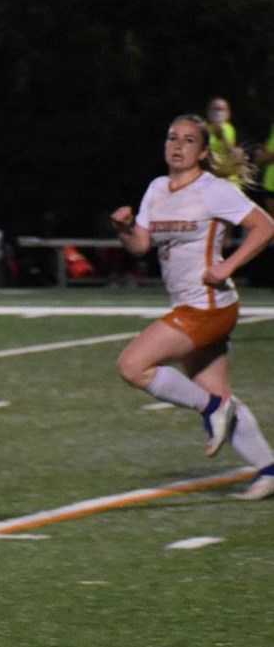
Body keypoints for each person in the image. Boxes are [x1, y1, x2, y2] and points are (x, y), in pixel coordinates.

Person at [110, 114, 274, 501]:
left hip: (209, 306)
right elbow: (140, 247)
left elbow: (266, 226)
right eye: (172, 138)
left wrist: (228, 266)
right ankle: (269, 470)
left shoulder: (214, 190)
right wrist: (124, 228)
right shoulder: (156, 188)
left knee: (133, 366)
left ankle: (213, 407)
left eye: (187, 140)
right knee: (219, 394)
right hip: (190, 305)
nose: (178, 146)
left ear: (202, 152)